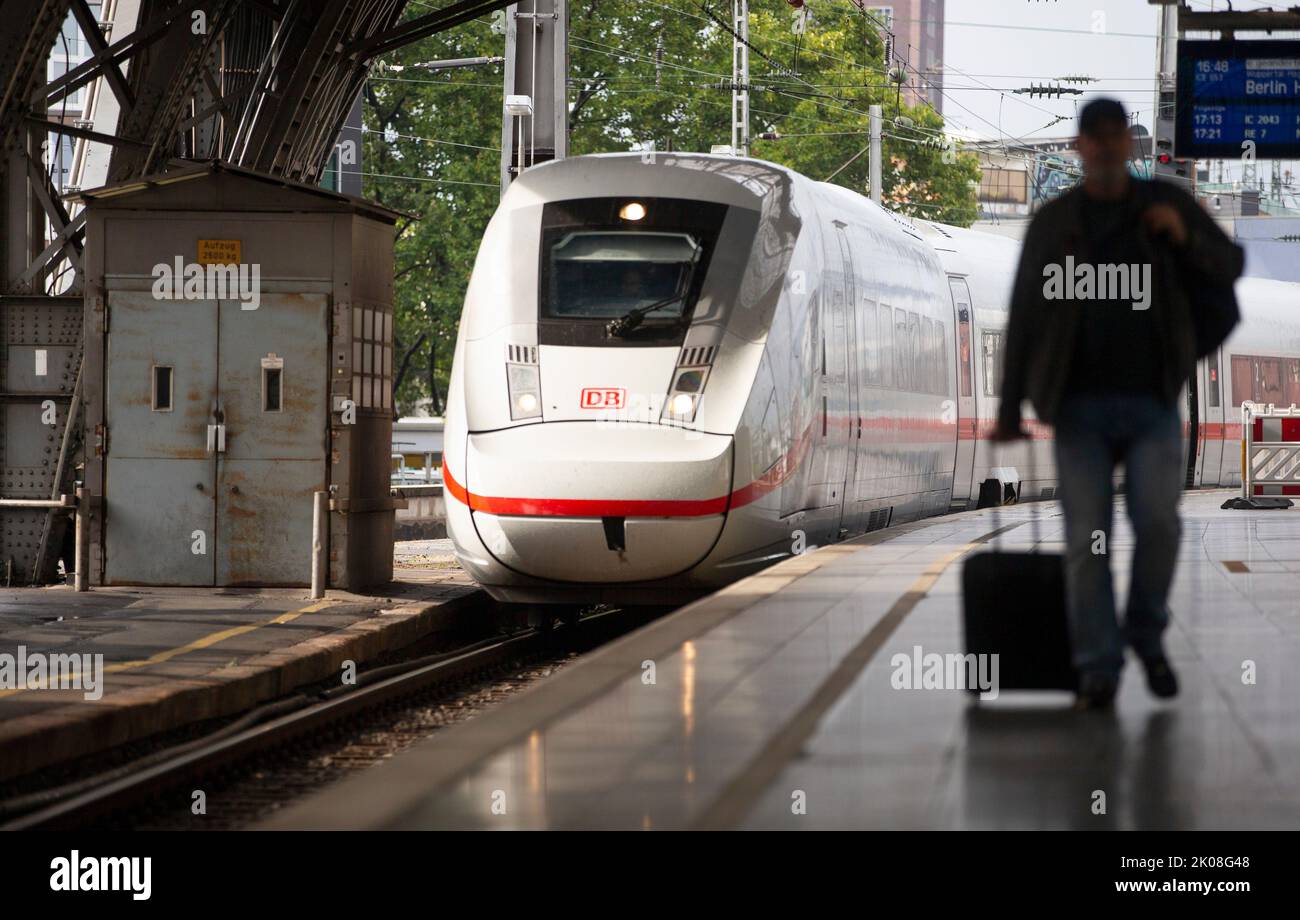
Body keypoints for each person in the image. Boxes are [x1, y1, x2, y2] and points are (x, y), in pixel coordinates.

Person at [992, 98, 1243, 709]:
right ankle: (1099, 666)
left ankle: (1145, 632)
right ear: (1079, 148)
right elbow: (1025, 314)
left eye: (1114, 139)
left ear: (1128, 146)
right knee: (1087, 539)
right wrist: (1007, 411)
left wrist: (1183, 238)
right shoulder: (1054, 224)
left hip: (1153, 400)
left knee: (1158, 522)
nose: (1105, 150)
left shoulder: (1167, 205)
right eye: (1093, 140)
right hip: (1076, 408)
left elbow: (1230, 264)